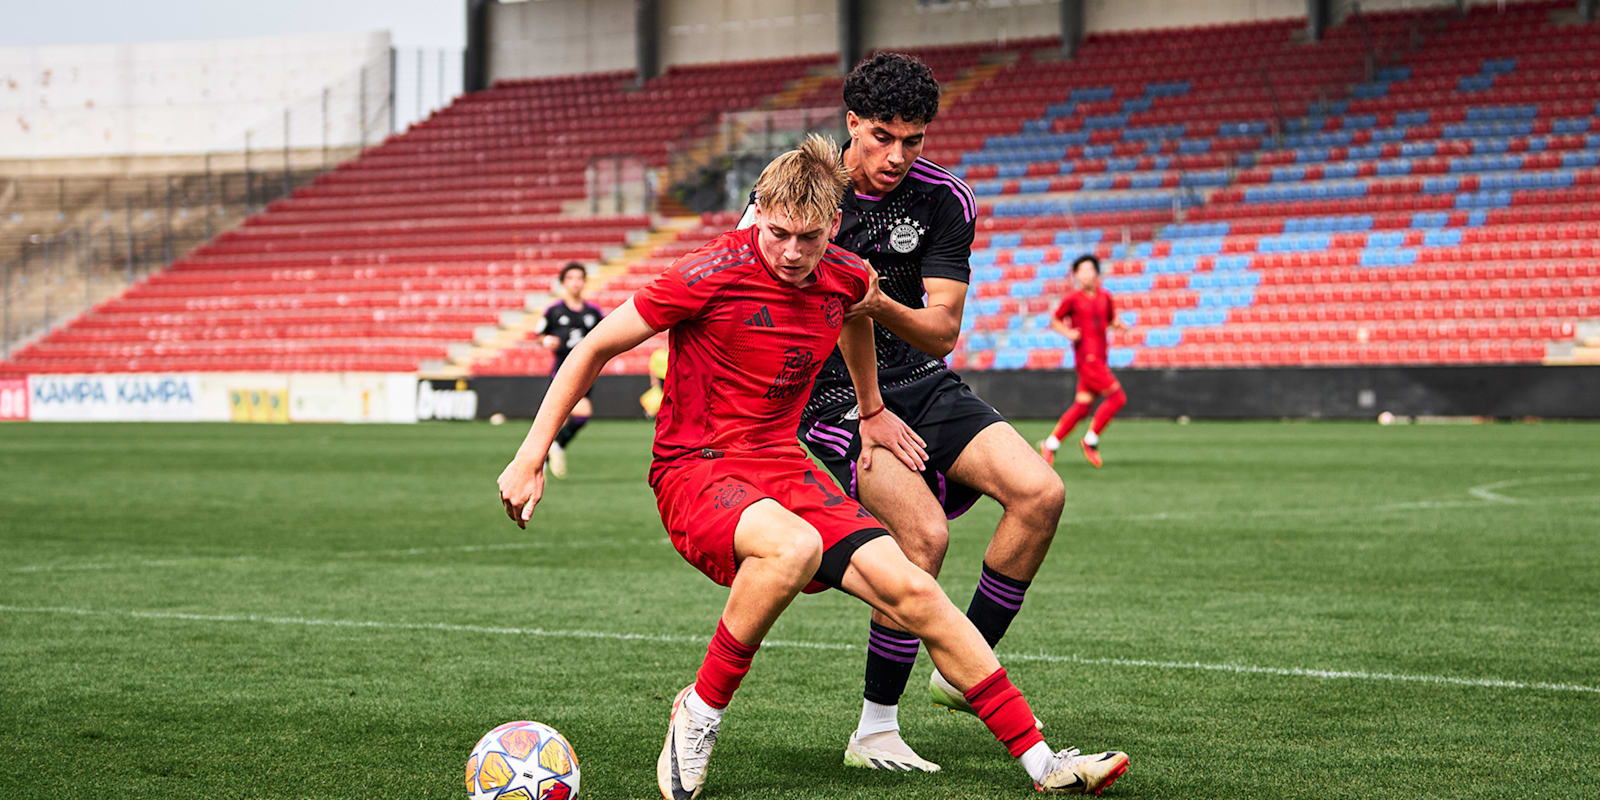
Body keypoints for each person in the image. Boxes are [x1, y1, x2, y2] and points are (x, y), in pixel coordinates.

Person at [497, 136, 1129, 799]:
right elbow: (592, 347)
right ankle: (699, 712)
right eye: (778, 234)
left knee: (915, 590)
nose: (793, 252)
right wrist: (530, 454)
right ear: (759, 212)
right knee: (794, 547)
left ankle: (1044, 764)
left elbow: (853, 316)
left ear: (834, 224)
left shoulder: (847, 274)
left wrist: (872, 406)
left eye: (809, 237)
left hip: (781, 469)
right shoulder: (706, 272)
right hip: (697, 470)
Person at [741, 52, 1068, 773]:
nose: (897, 155)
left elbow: (943, 330)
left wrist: (879, 301)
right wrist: (865, 411)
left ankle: (960, 668)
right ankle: (875, 730)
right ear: (851, 122)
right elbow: (753, 303)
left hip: (918, 378)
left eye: (913, 139)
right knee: (921, 537)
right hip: (829, 396)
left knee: (1041, 493)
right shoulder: (797, 195)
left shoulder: (945, 198)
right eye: (883, 135)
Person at [1040, 255, 1132, 469]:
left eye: (1089, 269)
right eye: (1081, 271)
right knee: (1118, 398)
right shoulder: (1073, 299)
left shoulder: (1106, 297)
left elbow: (1110, 319)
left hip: (1101, 358)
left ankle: (1050, 444)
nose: (1085, 274)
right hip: (1087, 360)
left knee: (1082, 406)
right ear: (1076, 276)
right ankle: (1090, 441)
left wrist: (1119, 325)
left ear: (1096, 273)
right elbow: (1055, 320)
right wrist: (1068, 333)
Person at [537, 263, 604, 478]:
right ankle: (555, 449)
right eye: (571, 278)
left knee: (560, 420)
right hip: (563, 371)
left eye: (579, 278)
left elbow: (606, 336)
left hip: (588, 372)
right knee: (581, 413)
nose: (575, 283)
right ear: (563, 283)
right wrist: (546, 340)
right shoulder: (554, 311)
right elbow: (539, 334)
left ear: (584, 282)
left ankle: (543, 459)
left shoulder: (593, 313)